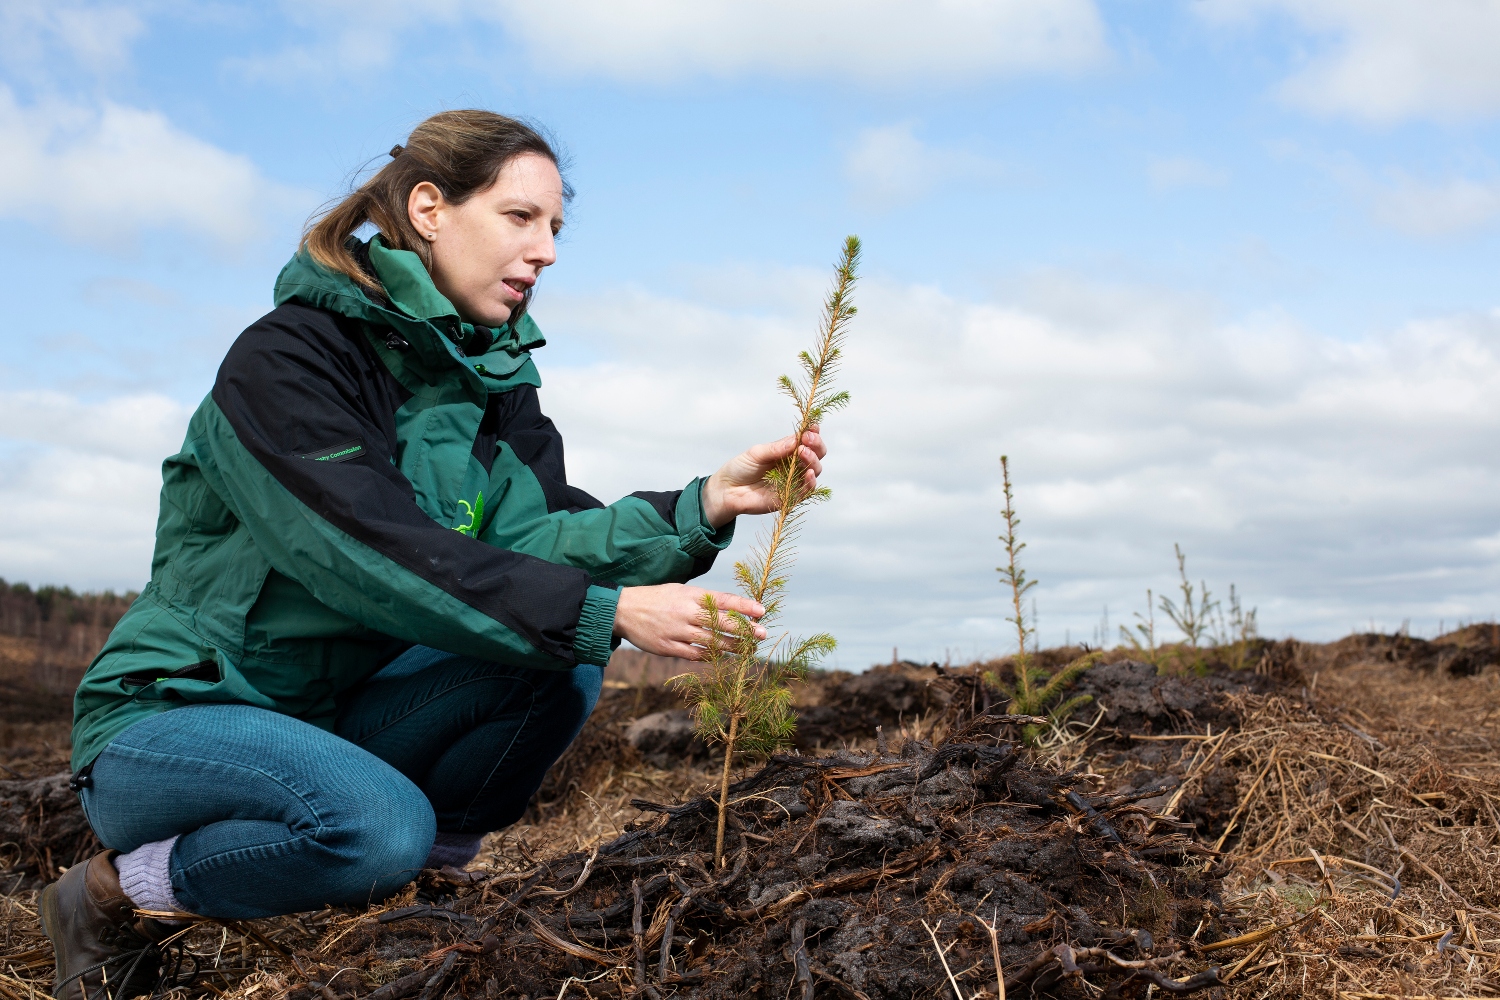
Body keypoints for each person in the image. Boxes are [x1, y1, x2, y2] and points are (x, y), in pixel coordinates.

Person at [39, 110, 827, 1000]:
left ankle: (423, 891)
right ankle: (111, 893)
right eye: (521, 217)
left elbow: (536, 543)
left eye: (557, 227)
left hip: (325, 715)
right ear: (428, 209)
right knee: (378, 826)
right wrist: (603, 609)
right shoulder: (290, 358)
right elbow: (367, 550)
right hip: (172, 718)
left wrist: (701, 504)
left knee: (557, 661)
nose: (549, 251)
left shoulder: (492, 386)